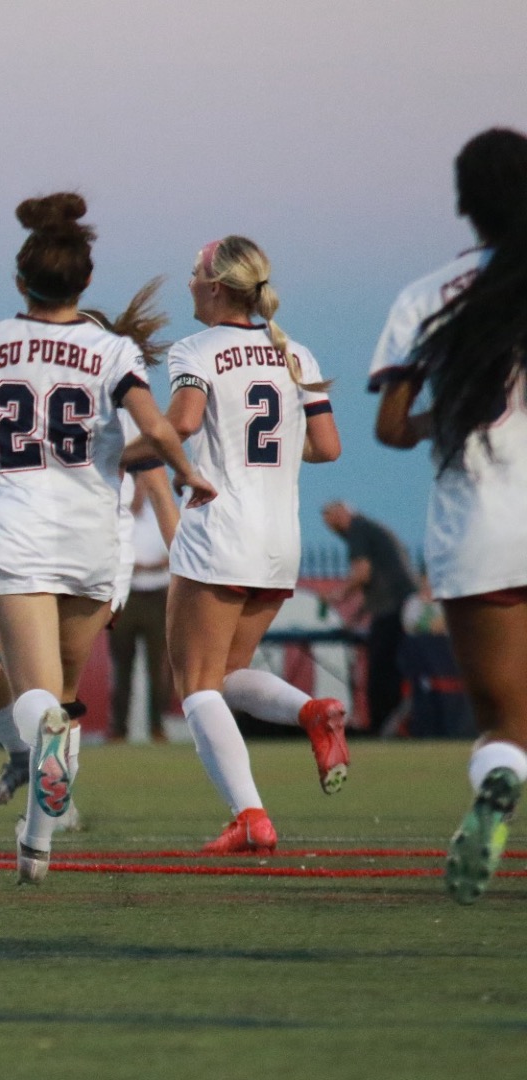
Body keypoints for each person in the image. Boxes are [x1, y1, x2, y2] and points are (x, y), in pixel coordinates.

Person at [0, 192, 214, 884]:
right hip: (90, 543)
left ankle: (35, 824)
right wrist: (190, 472)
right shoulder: (112, 350)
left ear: (21, 281)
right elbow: (160, 431)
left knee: (39, 698)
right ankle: (37, 846)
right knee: (64, 698)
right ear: (85, 282)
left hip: (18, 535)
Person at [370, 127, 527, 904]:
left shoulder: (426, 296)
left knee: (505, 720)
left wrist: (450, 417)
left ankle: (499, 782)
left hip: (479, 529)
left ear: (464, 204)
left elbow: (391, 428)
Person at [158, 236, 348, 854]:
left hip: (219, 528)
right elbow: (326, 447)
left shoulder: (196, 349)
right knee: (226, 673)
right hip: (279, 541)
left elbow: (183, 424)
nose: (187, 282)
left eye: (193, 273)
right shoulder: (296, 352)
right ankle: (311, 711)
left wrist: (128, 448)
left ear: (217, 286)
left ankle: (249, 816)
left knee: (195, 684)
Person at [0, 284, 172, 815]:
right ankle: (22, 756)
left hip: (94, 561)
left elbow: (161, 490)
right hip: (34, 549)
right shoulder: (51, 405)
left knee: (60, 693)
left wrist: (186, 572)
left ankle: (52, 808)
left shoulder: (118, 408)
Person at [320, 501, 418, 733]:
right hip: (399, 606)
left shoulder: (357, 531)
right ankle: (388, 726)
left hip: (393, 608)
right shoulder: (371, 529)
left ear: (342, 514)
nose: (331, 529)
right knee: (390, 669)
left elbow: (362, 574)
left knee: (380, 673)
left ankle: (381, 727)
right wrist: (355, 618)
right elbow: (373, 584)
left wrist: (336, 595)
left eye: (331, 521)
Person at [107, 477, 176, 743]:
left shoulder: (159, 518)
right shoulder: (116, 520)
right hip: (125, 597)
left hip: (156, 596)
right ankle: (118, 729)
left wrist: (147, 567)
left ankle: (157, 726)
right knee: (121, 667)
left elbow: (174, 552)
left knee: (158, 667)